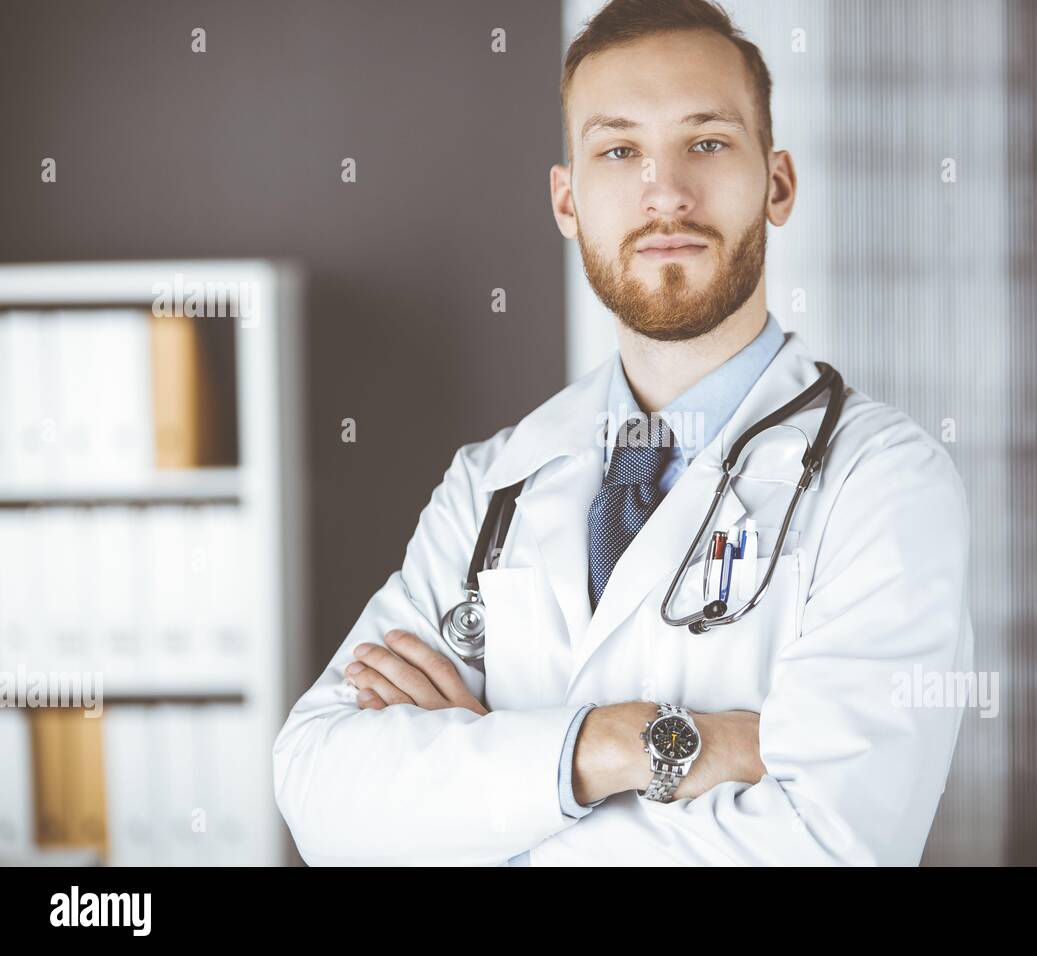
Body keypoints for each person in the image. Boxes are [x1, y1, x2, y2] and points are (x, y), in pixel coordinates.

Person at [273, 0, 973, 866]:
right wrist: (610, 748)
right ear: (567, 200)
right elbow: (321, 793)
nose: (666, 192)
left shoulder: (884, 482)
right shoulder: (492, 482)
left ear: (778, 183)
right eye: (618, 151)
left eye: (707, 142)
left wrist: (491, 794)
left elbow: (830, 846)